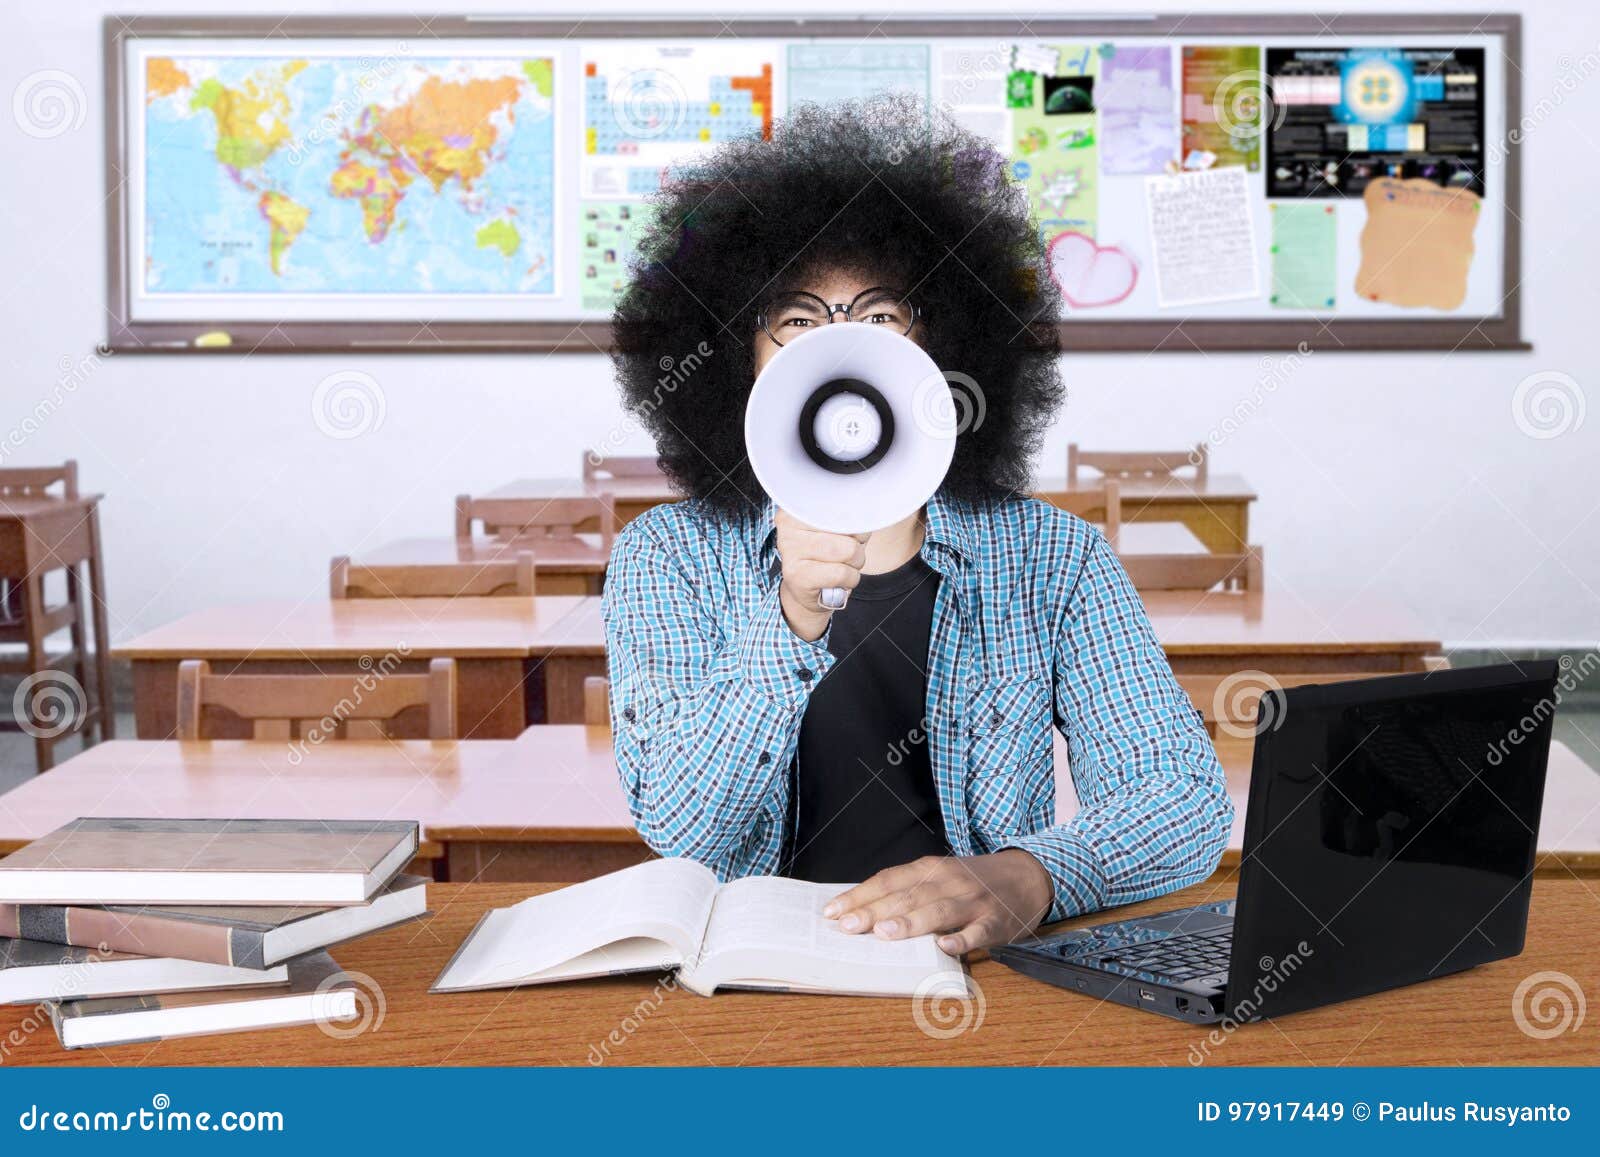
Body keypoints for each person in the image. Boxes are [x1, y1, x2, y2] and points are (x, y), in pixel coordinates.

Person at [603, 96, 1230, 956]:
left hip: (982, 970)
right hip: (751, 974)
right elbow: (684, 829)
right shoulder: (666, 558)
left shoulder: (1053, 556)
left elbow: (1185, 801)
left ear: (938, 343)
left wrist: (1028, 875)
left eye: (880, 314)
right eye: (794, 318)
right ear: (735, 353)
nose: (839, 344)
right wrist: (789, 617)